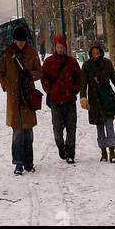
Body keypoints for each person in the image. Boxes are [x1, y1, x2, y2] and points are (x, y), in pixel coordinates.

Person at [0, 26, 42, 175]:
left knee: (28, 133)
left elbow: (39, 71)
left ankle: (28, 162)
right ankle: (18, 163)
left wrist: (30, 75)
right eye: (18, 40)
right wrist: (7, 86)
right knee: (17, 133)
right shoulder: (7, 54)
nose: (21, 43)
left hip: (28, 96)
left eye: (23, 40)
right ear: (14, 40)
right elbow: (1, 74)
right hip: (14, 98)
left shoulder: (32, 52)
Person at [79, 41, 115, 162]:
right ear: (91, 53)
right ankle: (103, 152)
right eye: (93, 52)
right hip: (94, 100)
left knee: (109, 124)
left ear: (100, 52)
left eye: (97, 52)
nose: (96, 54)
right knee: (99, 126)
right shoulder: (86, 65)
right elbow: (83, 83)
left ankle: (112, 151)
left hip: (107, 98)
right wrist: (83, 97)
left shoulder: (107, 63)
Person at [40, 32, 82, 164]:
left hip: (69, 100)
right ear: (54, 47)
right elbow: (44, 78)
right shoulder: (48, 62)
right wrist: (49, 91)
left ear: (65, 47)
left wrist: (74, 91)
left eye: (62, 46)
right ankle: (60, 146)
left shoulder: (72, 62)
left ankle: (70, 153)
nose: (60, 49)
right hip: (55, 101)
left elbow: (79, 79)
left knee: (71, 128)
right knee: (57, 129)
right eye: (58, 46)